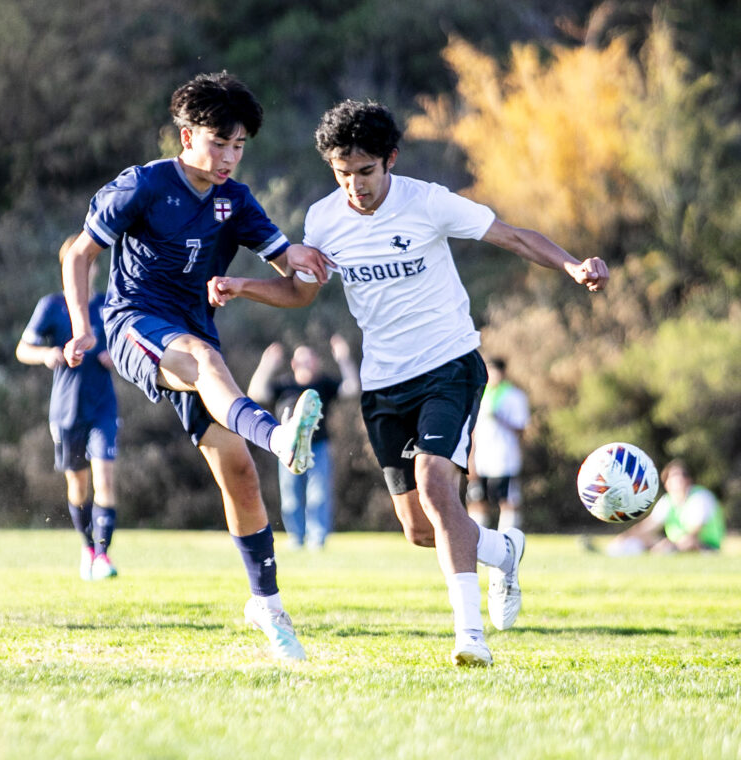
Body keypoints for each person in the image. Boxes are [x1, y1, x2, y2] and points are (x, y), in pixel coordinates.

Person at [208, 99, 609, 666]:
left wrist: (571, 265)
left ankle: (470, 637)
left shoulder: (428, 202)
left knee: (437, 484)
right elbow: (301, 292)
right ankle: (503, 551)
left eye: (366, 172)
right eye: (343, 174)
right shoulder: (324, 219)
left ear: (390, 160)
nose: (356, 186)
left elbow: (513, 237)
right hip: (383, 385)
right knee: (421, 529)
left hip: (449, 365)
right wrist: (241, 286)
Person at [60, 72, 331, 661]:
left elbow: (295, 292)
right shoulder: (144, 185)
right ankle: (280, 435)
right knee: (208, 360)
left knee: (238, 470)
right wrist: (83, 326)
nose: (229, 156)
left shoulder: (238, 200)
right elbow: (77, 253)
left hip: (191, 338)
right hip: (134, 324)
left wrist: (285, 272)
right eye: (219, 142)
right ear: (186, 136)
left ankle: (267, 603)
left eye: (239, 146)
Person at [16, 235, 119, 581]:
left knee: (105, 477)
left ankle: (103, 556)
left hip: (102, 407)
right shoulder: (51, 307)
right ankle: (87, 548)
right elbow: (23, 349)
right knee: (79, 487)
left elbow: (129, 347)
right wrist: (47, 354)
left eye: (89, 263)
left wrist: (114, 358)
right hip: (66, 411)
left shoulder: (108, 306)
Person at [248, 334, 360, 549]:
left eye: (309, 359)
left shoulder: (323, 384)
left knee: (318, 496)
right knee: (290, 497)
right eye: (301, 360)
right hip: (288, 450)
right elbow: (255, 393)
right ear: (293, 364)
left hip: (319, 448)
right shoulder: (284, 385)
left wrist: (344, 359)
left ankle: (317, 540)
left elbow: (352, 389)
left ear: (316, 362)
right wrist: (266, 365)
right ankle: (296, 539)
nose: (305, 364)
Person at [605, 459, 725, 556]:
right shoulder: (667, 501)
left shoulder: (700, 497)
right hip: (675, 545)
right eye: (672, 479)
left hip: (705, 546)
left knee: (687, 543)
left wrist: (669, 546)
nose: (676, 483)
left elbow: (693, 534)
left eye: (679, 479)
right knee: (641, 540)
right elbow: (649, 526)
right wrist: (625, 537)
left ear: (688, 481)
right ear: (666, 484)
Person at [466, 357, 530, 532]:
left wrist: (500, 419)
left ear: (503, 373)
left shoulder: (514, 396)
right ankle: (477, 539)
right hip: (481, 458)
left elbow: (521, 428)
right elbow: (471, 430)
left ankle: (507, 538)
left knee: (507, 499)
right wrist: (469, 458)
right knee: (477, 499)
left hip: (504, 457)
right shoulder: (479, 395)